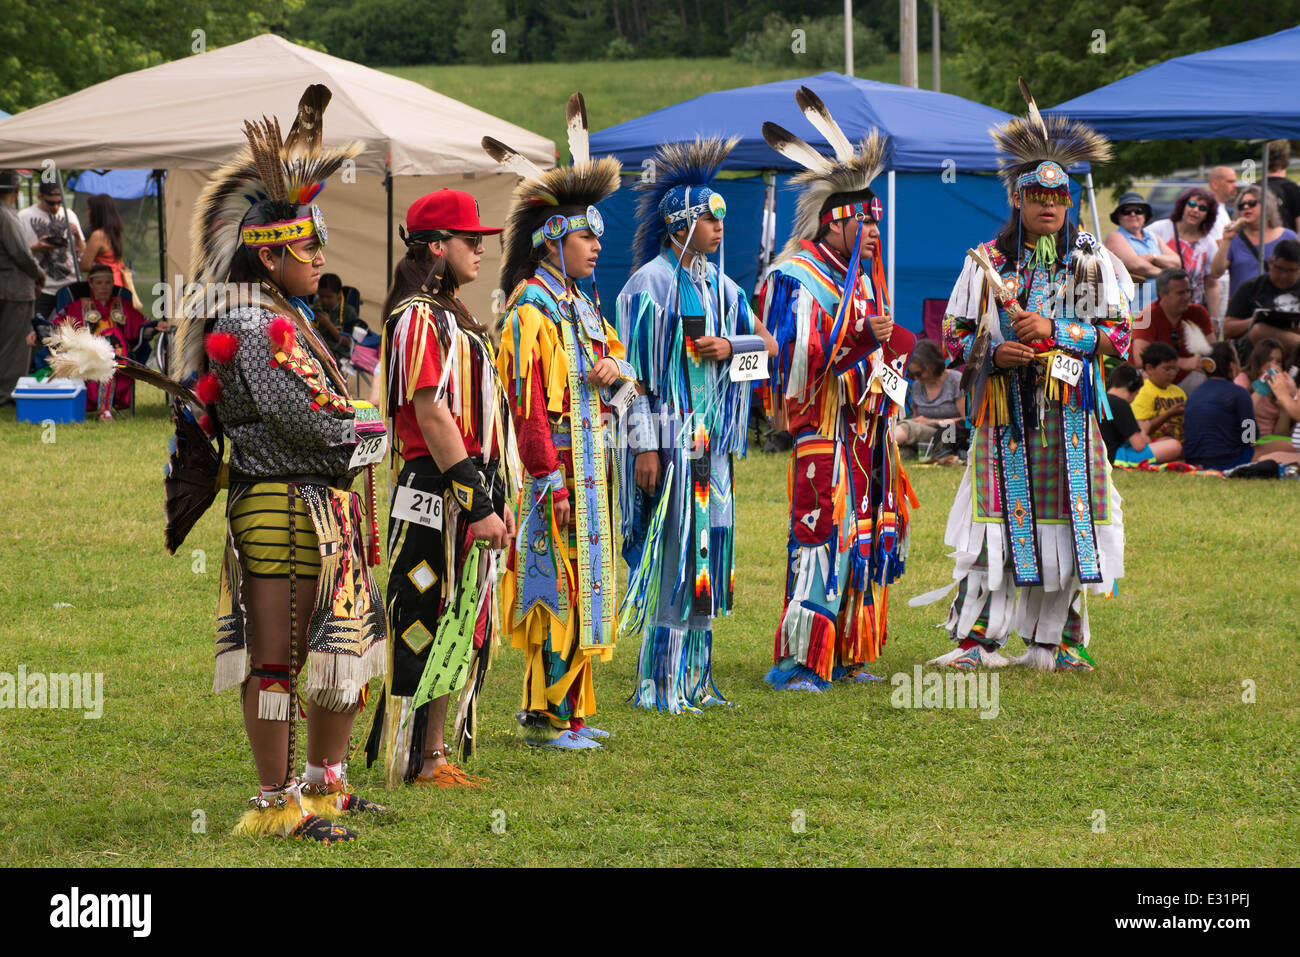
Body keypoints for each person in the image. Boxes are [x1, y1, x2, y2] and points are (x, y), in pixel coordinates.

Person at [174, 86, 388, 841]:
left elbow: (327, 411)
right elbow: (305, 419)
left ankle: (326, 786)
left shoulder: (288, 317)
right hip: (278, 504)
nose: (321, 257)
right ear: (270, 252)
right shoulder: (251, 323)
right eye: (307, 247)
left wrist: (355, 423)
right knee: (277, 658)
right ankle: (274, 801)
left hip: (323, 505)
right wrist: (364, 427)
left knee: (342, 645)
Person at [929, 78, 1129, 673]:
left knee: (1068, 527)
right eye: (1037, 194)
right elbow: (953, 336)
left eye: (1060, 196)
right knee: (992, 527)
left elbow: (1119, 338)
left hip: (1070, 419)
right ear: (1017, 197)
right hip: (1004, 422)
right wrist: (993, 355)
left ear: (1069, 202)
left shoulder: (1094, 263)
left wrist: (1060, 332)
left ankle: (1057, 644)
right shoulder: (985, 262)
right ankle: (975, 644)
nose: (1049, 204)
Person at [486, 94, 634, 749]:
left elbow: (620, 372)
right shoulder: (530, 315)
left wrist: (614, 375)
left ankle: (561, 709)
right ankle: (554, 716)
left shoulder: (579, 308)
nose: (598, 245)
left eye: (599, 235)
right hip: (557, 477)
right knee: (554, 590)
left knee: (576, 591)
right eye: (586, 235)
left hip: (588, 468)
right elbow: (527, 412)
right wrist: (551, 481)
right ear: (553, 241)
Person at [757, 86, 917, 690]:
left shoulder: (865, 280)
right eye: (865, 225)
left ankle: (851, 652)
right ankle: (803, 656)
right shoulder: (797, 278)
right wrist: (858, 339)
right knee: (820, 532)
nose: (874, 235)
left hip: (869, 434)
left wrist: (887, 376)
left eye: (877, 225)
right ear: (836, 222)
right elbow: (792, 367)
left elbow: (880, 356)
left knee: (867, 533)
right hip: (823, 433)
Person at [615, 136, 777, 713]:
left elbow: (769, 343)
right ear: (681, 224)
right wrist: (644, 448)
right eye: (710, 219)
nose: (719, 229)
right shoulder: (648, 287)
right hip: (669, 439)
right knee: (672, 553)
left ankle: (698, 679)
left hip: (711, 446)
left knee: (706, 551)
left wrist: (727, 346)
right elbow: (629, 379)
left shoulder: (722, 287)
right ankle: (660, 682)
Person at [364, 189, 519, 788]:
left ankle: (432, 755)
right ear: (436, 246)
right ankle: (413, 754)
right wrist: (474, 500)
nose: (480, 249)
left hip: (463, 481)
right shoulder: (416, 317)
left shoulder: (451, 314)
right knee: (421, 611)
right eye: (468, 240)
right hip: (434, 487)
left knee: (461, 617)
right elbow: (430, 413)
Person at [49, 263, 152, 417]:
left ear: (113, 284)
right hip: (86, 357)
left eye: (108, 282)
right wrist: (36, 333)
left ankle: (105, 410)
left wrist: (157, 327)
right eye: (99, 283)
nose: (104, 287)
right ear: (90, 283)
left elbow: (142, 325)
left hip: (119, 358)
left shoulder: (123, 306)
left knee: (112, 341)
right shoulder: (77, 306)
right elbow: (55, 325)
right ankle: (104, 410)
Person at [1184, 342, 1300, 469]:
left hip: (1193, 459)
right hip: (1229, 460)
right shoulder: (1238, 393)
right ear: (1232, 366)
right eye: (1238, 359)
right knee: (1292, 447)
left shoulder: (1194, 393)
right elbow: (1249, 437)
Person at [1130, 267, 1215, 394]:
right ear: (1163, 295)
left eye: (1189, 291)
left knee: (1215, 377)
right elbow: (1140, 360)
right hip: (1153, 380)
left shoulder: (1198, 312)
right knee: (1146, 376)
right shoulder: (1147, 315)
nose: (1187, 297)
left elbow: (1213, 349)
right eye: (1181, 293)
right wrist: (1182, 363)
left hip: (1185, 378)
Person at [1, 170, 45, 406]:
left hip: (7, 287)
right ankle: (8, 393)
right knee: (15, 344)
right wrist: (39, 274)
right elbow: (20, 253)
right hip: (14, 289)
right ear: (16, 190)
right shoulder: (6, 215)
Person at [1210, 184, 1298, 301]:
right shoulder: (1234, 239)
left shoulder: (1288, 236)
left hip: (1277, 303)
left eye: (1252, 203)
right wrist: (1226, 240)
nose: (1246, 207)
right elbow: (1216, 273)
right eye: (1241, 205)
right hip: (1241, 307)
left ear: (1266, 206)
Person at [18, 180, 84, 322]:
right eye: (51, 203)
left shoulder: (69, 214)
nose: (56, 207)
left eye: (59, 202)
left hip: (69, 284)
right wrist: (37, 248)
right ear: (40, 196)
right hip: (41, 287)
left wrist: (77, 235)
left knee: (73, 329)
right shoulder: (24, 216)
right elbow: (18, 253)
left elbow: (81, 251)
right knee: (36, 329)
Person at [1104, 191, 1179, 312]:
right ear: (1119, 217)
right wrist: (1166, 274)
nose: (1133, 214)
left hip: (1161, 310)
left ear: (1145, 216)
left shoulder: (1153, 237)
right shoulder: (1115, 237)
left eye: (1138, 210)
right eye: (1126, 211)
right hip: (1135, 311)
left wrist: (1152, 257)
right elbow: (1136, 264)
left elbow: (1176, 262)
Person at [1147, 187, 1220, 311]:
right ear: (1183, 205)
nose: (1195, 210)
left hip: (1191, 309)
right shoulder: (1159, 229)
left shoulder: (1208, 243)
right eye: (1191, 204)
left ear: (1208, 214)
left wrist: (1214, 318)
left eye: (1202, 208)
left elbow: (1212, 283)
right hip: (1157, 306)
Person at [1222, 238, 1300, 354]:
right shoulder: (1251, 288)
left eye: (1290, 271)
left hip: (1293, 355)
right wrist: (1255, 320)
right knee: (1258, 330)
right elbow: (1227, 329)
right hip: (1257, 353)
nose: (1283, 276)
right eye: (1279, 269)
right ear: (1270, 263)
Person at [893, 338, 965, 461]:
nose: (915, 378)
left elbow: (965, 420)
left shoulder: (955, 380)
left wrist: (932, 421)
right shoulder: (917, 386)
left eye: (918, 373)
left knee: (908, 428)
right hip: (922, 436)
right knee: (902, 453)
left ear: (931, 365)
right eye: (911, 374)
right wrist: (920, 421)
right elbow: (916, 421)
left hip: (948, 433)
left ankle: (877, 445)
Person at [1100, 362, 1173, 465]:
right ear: (1132, 387)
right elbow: (1139, 445)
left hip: (1101, 454)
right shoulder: (1121, 404)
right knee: (1174, 445)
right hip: (1116, 457)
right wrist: (1144, 430)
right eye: (1137, 393)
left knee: (1165, 440)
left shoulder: (1101, 399)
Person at [1234, 337, 1298, 453]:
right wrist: (1260, 389)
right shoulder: (1244, 379)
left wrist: (1284, 407)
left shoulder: (1279, 388)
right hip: (1248, 438)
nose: (1272, 365)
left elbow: (1280, 434)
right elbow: (1242, 415)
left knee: (1292, 445)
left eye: (1278, 362)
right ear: (1258, 360)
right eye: (1268, 360)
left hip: (1269, 440)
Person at [1131, 341, 1186, 454]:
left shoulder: (1179, 391)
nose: (1172, 374)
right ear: (1149, 368)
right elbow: (1140, 432)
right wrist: (1169, 413)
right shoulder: (1142, 392)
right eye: (1167, 369)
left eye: (1175, 369)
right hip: (1154, 445)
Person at [78, 193, 127, 290]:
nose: (87, 213)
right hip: (117, 282)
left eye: (89, 209)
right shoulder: (114, 233)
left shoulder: (98, 235)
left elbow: (84, 266)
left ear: (97, 212)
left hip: (102, 286)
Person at [1265, 140, 1300, 234]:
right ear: (1286, 159)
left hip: (1257, 246)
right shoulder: (1294, 190)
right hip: (1286, 246)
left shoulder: (1255, 188)